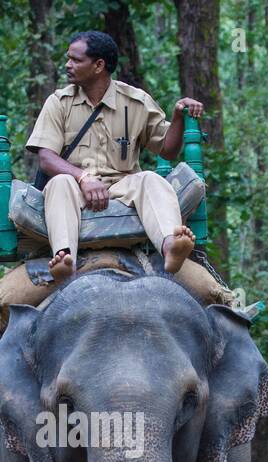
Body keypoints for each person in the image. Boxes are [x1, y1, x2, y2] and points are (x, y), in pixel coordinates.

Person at [24, 30, 205, 281]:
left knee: (151, 179)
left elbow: (167, 149)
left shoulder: (136, 101)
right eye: (68, 58)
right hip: (75, 187)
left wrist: (177, 117)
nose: (68, 65)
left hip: (122, 184)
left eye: (76, 60)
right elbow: (46, 157)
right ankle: (64, 257)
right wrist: (83, 178)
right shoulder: (59, 102)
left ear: (99, 65)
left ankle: (170, 245)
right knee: (59, 182)